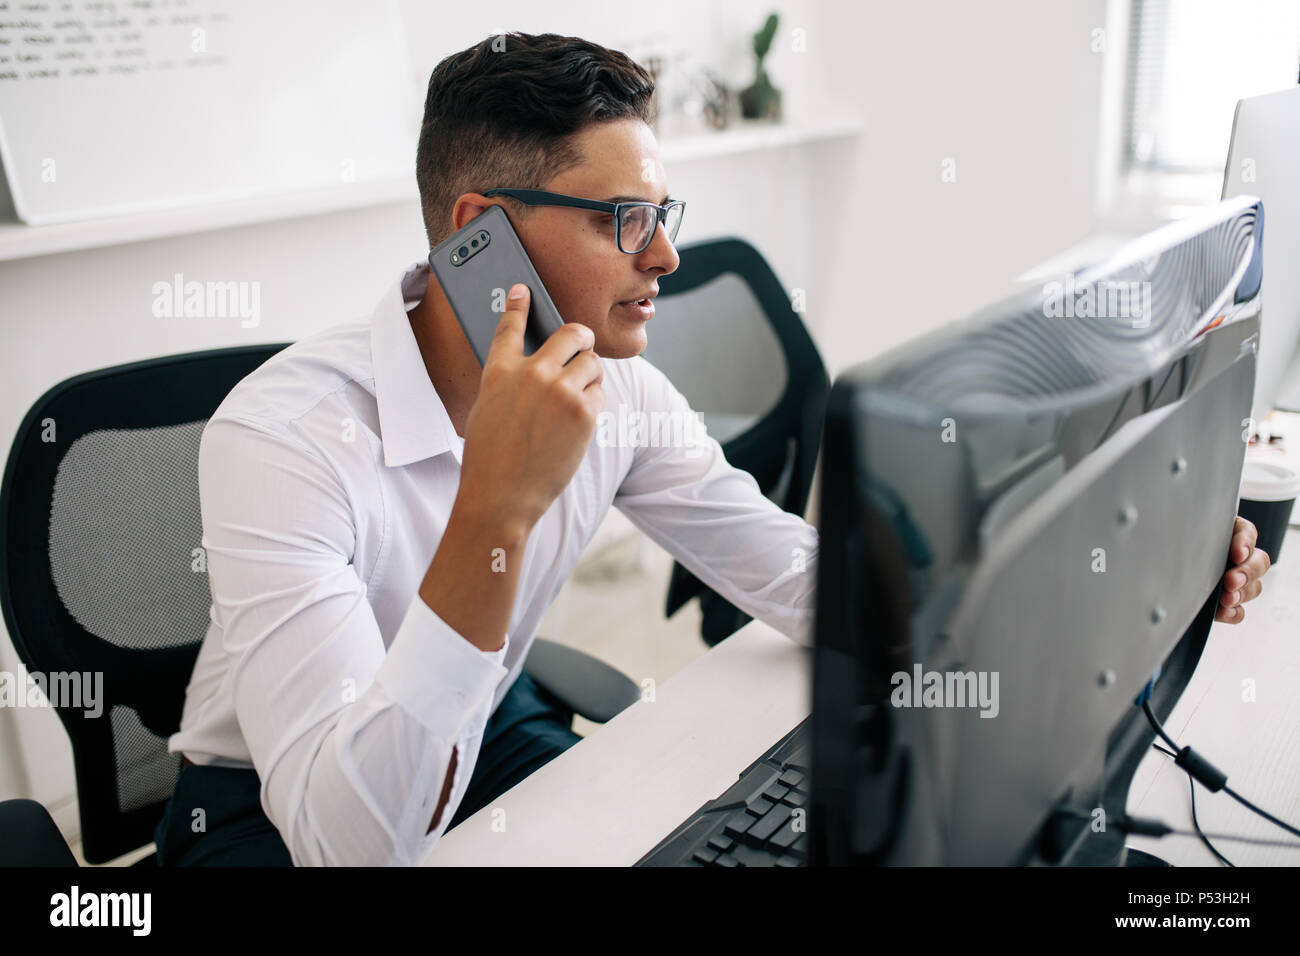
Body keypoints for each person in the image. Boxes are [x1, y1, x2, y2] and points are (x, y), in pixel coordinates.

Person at [154, 31, 1273, 867]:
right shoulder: (283, 436)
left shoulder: (620, 390)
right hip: (265, 806)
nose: (669, 256)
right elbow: (351, 839)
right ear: (477, 233)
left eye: (663, 209)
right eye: (622, 220)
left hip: (483, 720)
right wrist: (493, 510)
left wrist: (1120, 553)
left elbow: (797, 573)